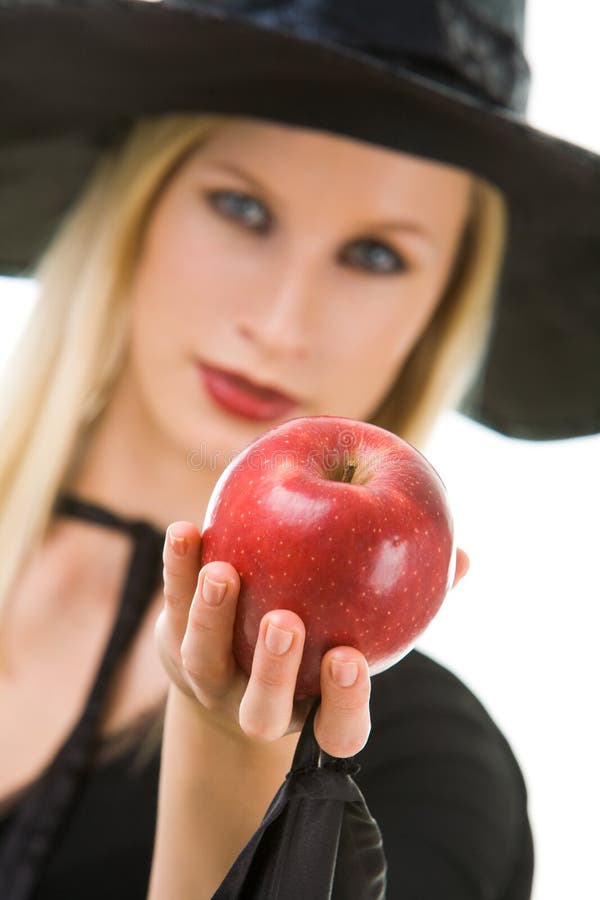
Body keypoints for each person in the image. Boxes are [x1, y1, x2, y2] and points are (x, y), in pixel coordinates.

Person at [0, 1, 598, 898]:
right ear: (139, 202)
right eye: (241, 207)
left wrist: (232, 759)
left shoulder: (424, 785)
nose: (281, 325)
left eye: (376, 256)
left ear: (437, 311)